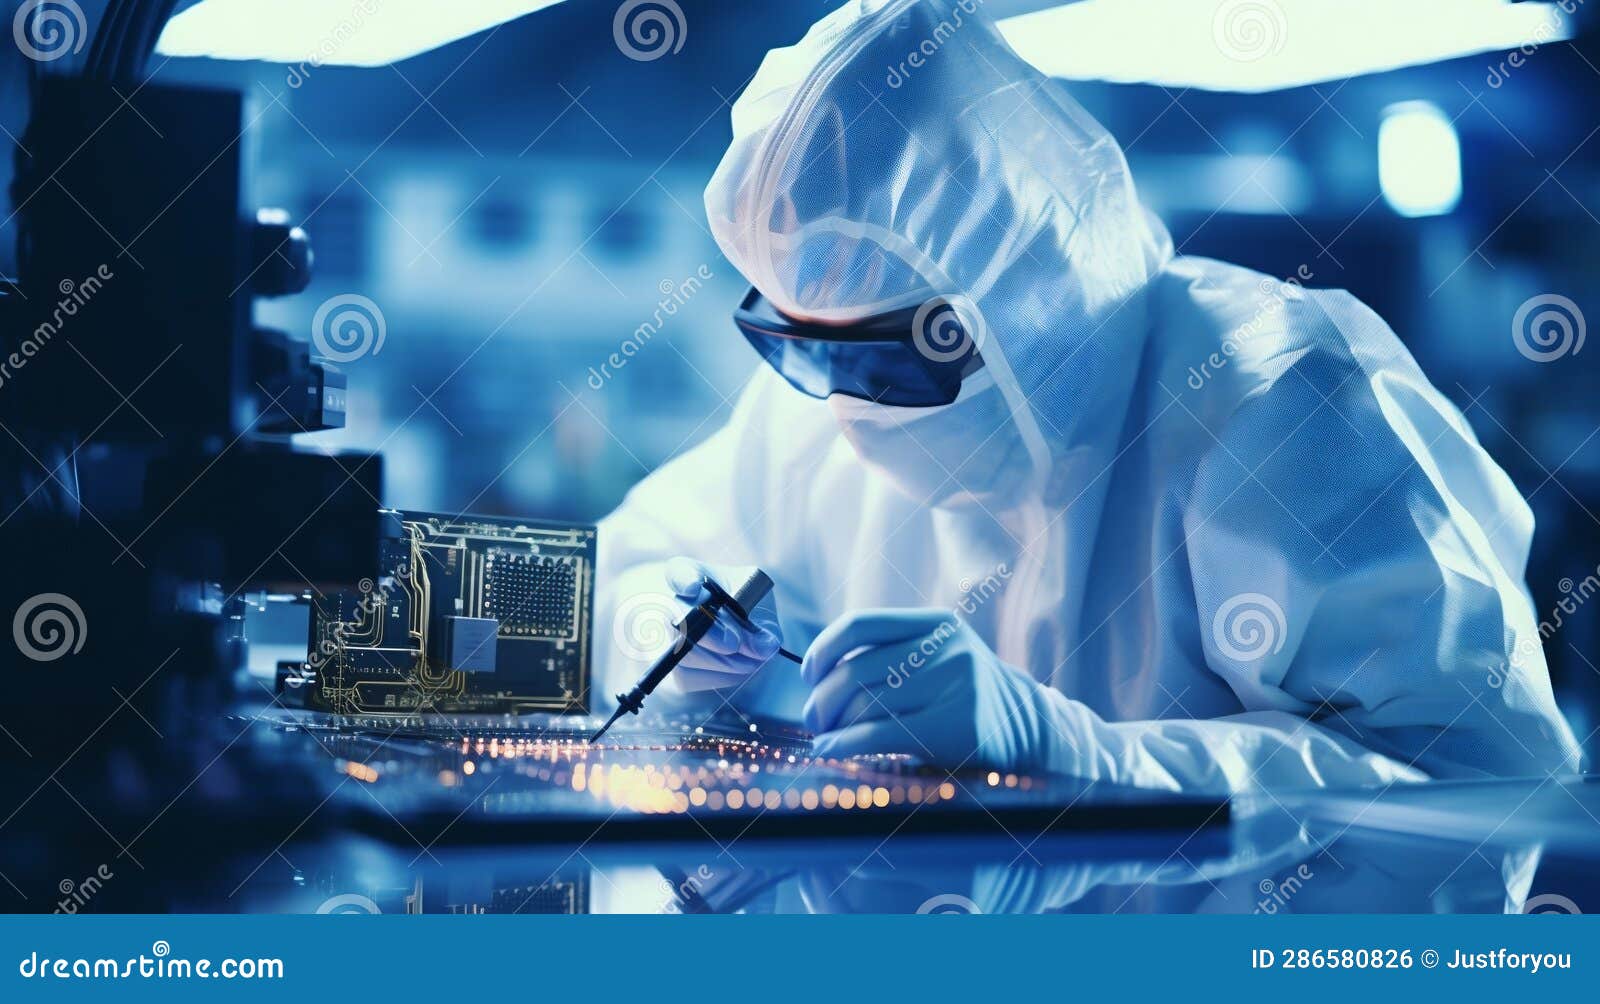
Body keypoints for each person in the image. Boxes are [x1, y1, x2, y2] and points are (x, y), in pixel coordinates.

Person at [595, 0, 1580, 793]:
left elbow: (1479, 782)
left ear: (1016, 303)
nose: (851, 409)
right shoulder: (817, 406)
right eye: (798, 346)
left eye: (892, 358)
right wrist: (657, 628)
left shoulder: (1281, 399)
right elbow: (624, 569)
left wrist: (1073, 754)